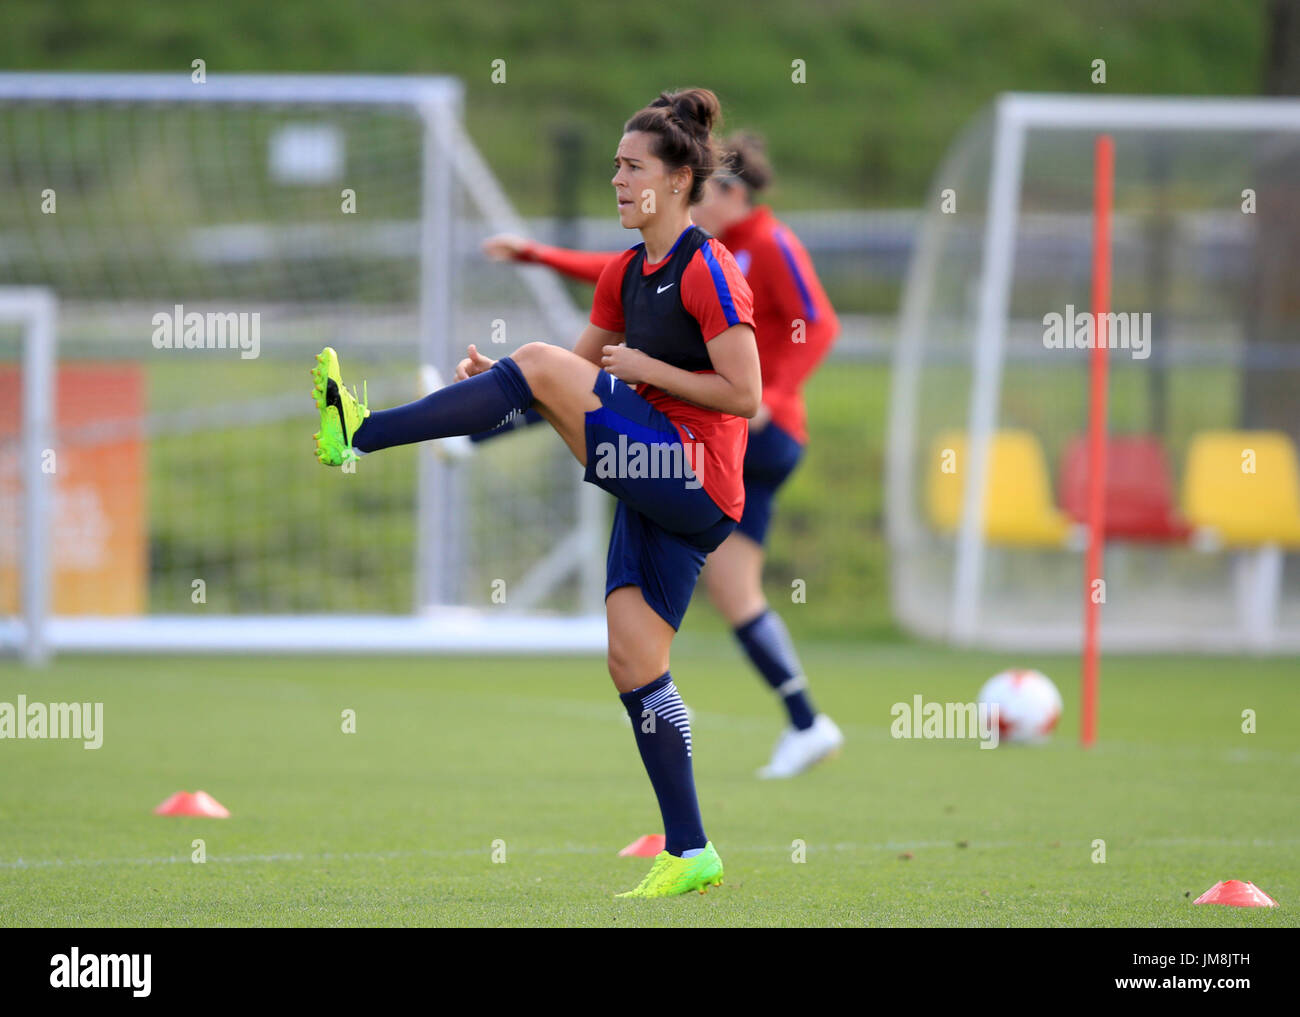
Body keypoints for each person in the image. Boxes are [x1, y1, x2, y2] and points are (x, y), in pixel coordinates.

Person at [311, 88, 759, 898]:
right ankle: (692, 850)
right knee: (633, 660)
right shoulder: (626, 274)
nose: (617, 180)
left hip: (693, 480)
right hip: (653, 481)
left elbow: (744, 394)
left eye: (632, 168)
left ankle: (360, 432)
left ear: (678, 179)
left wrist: (633, 371)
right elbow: (562, 381)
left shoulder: (711, 269)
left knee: (543, 361)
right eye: (615, 167)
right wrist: (500, 386)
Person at [482, 131, 843, 778]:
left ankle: (480, 425)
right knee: (736, 592)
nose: (698, 203)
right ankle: (806, 721)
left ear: (733, 191)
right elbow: (614, 273)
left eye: (708, 192)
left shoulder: (769, 244)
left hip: (760, 432)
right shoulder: (696, 251)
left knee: (592, 398)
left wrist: (774, 395)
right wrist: (538, 254)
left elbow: (819, 323)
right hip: (732, 434)